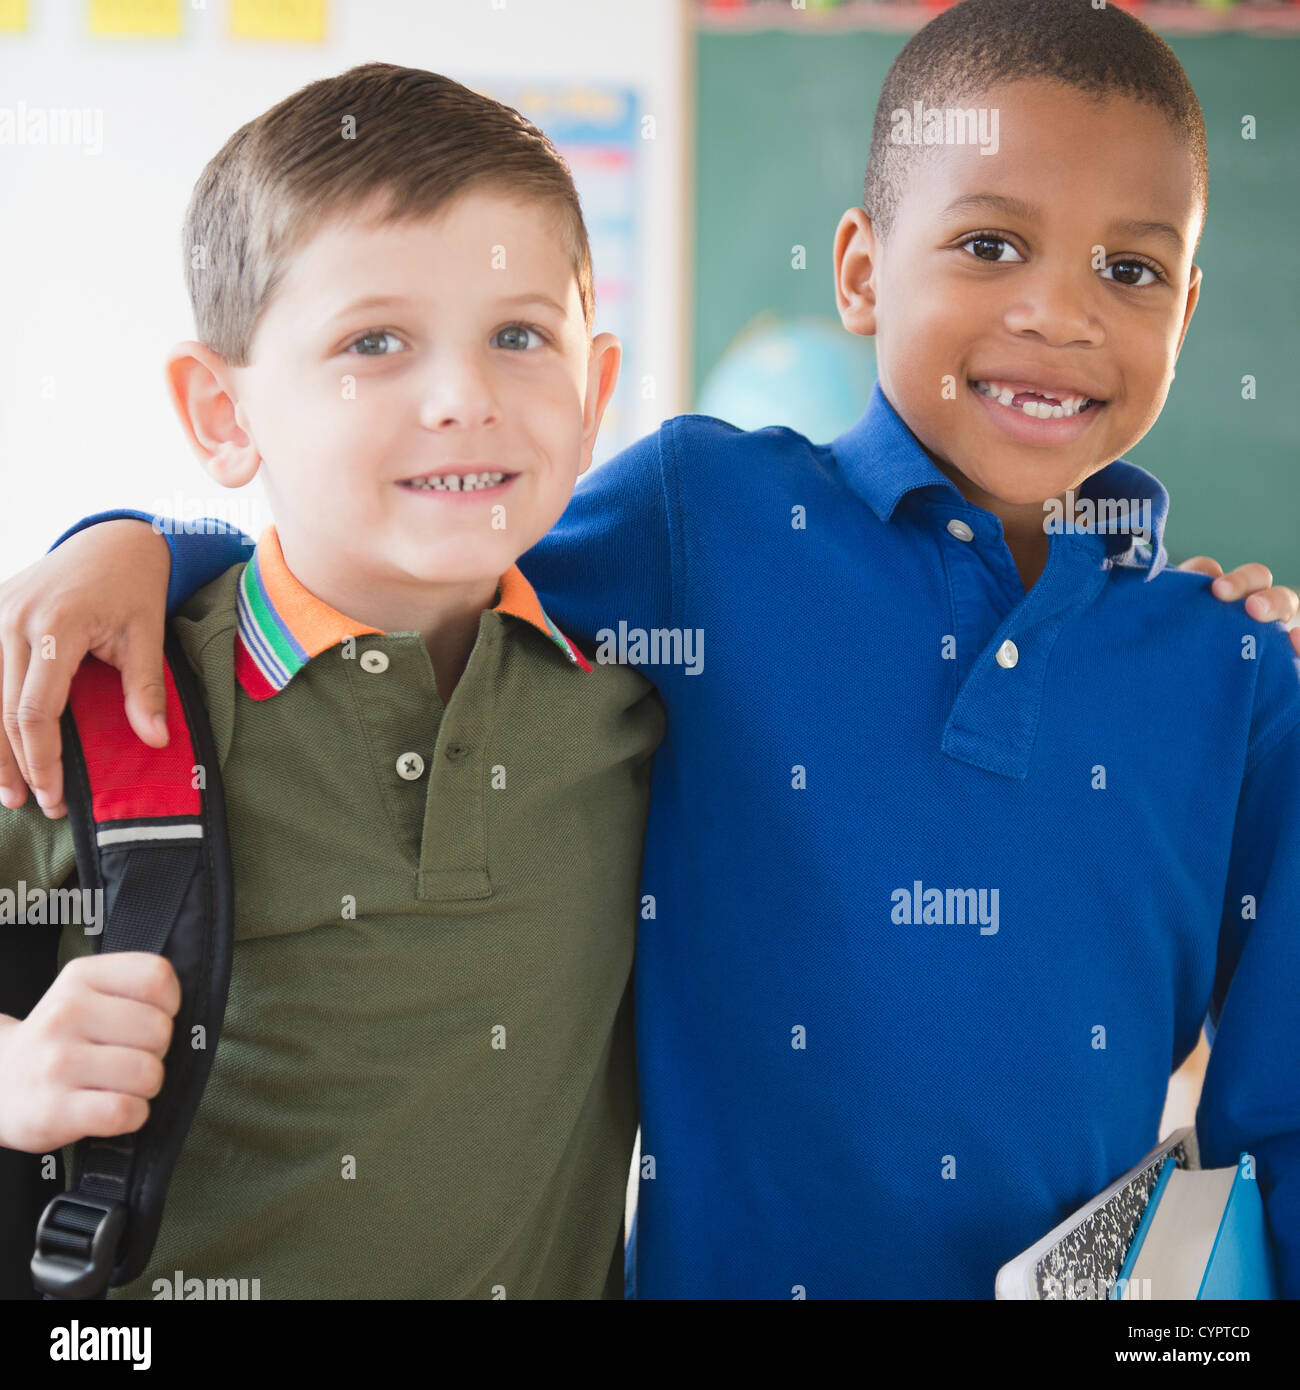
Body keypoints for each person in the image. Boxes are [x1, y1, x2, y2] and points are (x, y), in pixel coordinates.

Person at [3, 0, 1299, 1299]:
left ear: (1189, 304)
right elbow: (413, 542)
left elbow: (1278, 1111)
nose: (1060, 313)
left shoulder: (1234, 672)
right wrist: (139, 544)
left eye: (1128, 272)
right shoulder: (707, 522)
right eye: (989, 243)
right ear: (859, 270)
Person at [0, 62, 665, 1299]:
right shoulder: (86, 713)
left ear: (594, 392)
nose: (464, 397)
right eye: (375, 341)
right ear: (220, 410)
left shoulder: (639, 712)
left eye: (519, 335)